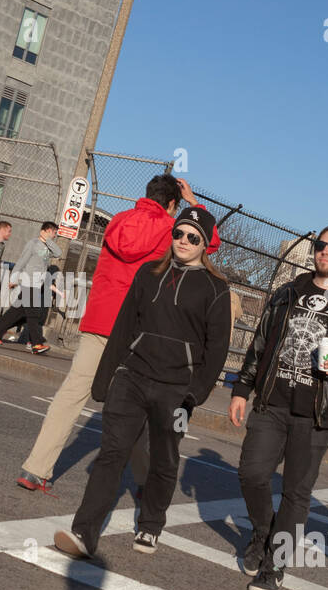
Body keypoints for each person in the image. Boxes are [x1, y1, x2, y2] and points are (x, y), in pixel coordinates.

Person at [15, 174, 219, 493]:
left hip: (99, 319)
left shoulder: (118, 221)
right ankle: (144, 481)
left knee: (71, 394)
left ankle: (35, 468)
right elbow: (210, 241)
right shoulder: (169, 227)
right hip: (139, 329)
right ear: (171, 203)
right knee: (141, 401)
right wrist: (194, 204)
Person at [55, 208, 231, 558]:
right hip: (132, 379)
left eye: (193, 237)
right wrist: (105, 378)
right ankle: (84, 533)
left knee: (164, 458)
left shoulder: (216, 289)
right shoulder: (147, 275)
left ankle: (151, 526)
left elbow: (217, 351)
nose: (183, 241)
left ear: (205, 246)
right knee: (111, 454)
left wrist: (194, 395)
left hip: (177, 392)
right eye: (179, 234)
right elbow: (123, 328)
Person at [230, 225, 328, 590]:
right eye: (320, 246)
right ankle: (262, 534)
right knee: (252, 473)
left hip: (318, 414)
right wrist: (241, 389)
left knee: (297, 491)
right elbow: (261, 344)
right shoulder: (288, 292)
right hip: (273, 402)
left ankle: (274, 564)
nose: (324, 252)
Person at [0, 221, 60, 353]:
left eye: (55, 233)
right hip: (29, 283)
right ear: (45, 231)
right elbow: (22, 261)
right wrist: (14, 278)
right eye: (53, 232)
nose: (55, 235)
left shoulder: (49, 247)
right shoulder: (33, 244)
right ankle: (37, 343)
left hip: (37, 284)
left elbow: (58, 253)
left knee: (17, 312)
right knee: (34, 314)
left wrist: (48, 240)